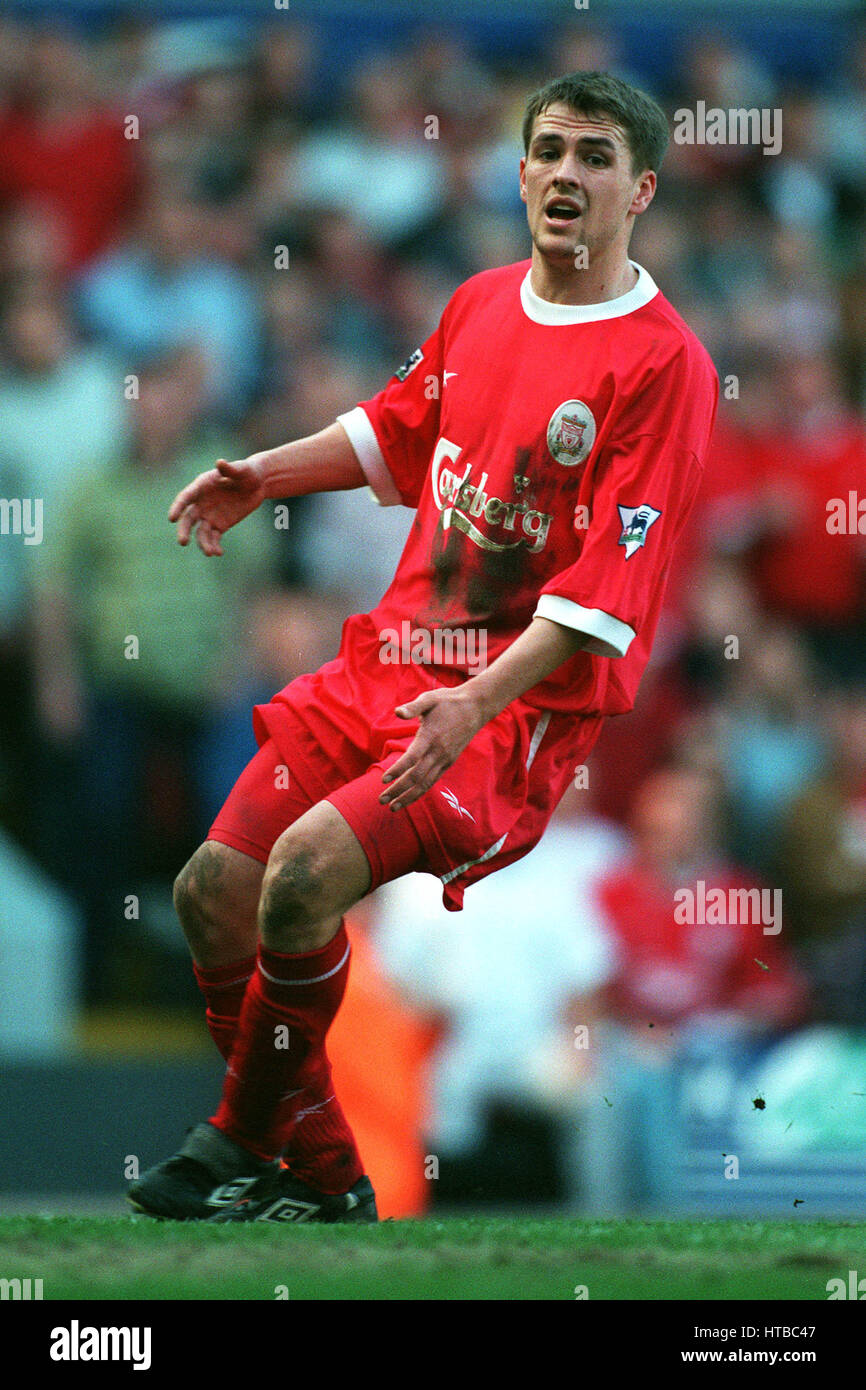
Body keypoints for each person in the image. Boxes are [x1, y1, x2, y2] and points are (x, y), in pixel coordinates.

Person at [128, 71, 718, 1224]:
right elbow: (393, 429)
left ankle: (241, 1138)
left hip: (505, 714)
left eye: (593, 158)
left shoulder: (664, 366)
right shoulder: (480, 302)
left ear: (638, 189)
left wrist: (474, 703)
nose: (563, 173)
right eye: (547, 150)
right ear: (518, 172)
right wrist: (265, 474)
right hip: (386, 663)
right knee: (211, 893)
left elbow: (609, 594)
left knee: (301, 881)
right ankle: (321, 1168)